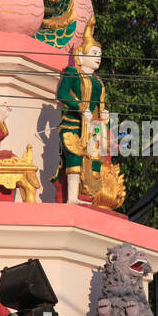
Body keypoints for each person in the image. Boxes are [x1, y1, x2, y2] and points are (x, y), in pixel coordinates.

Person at [56, 18, 106, 203]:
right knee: (75, 156)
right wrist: (80, 107)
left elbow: (100, 107)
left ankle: (90, 194)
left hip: (94, 127)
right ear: (81, 55)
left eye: (99, 54)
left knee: (96, 158)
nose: (98, 57)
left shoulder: (98, 83)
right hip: (73, 123)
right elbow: (62, 94)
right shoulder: (73, 73)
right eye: (93, 53)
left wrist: (104, 115)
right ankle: (72, 197)